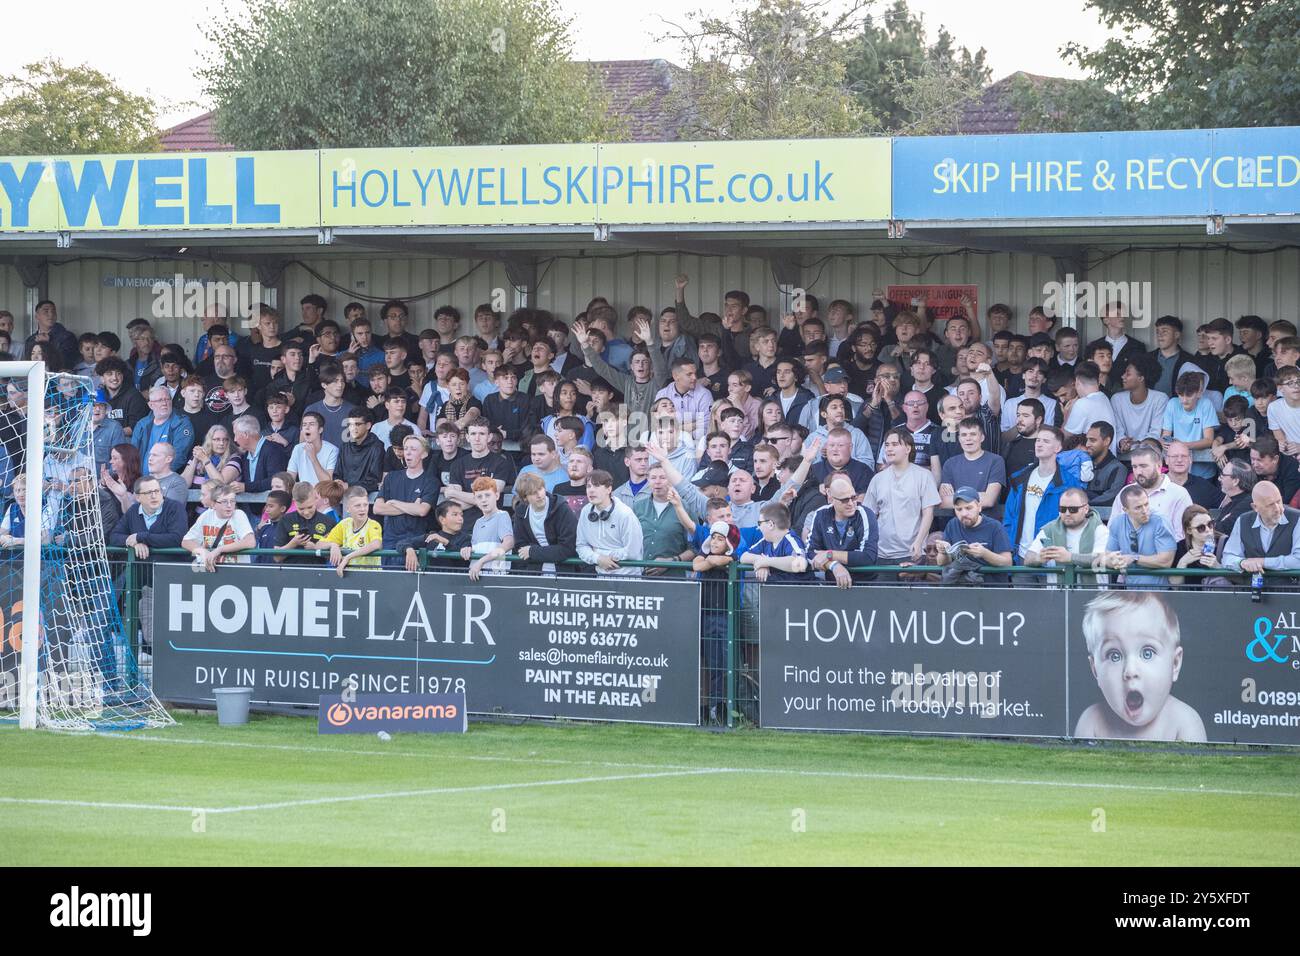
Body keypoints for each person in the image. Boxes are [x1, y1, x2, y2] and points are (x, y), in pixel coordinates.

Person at [1073, 591, 1207, 742]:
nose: (1130, 671)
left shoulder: (1185, 722)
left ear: (1175, 664)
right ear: (1095, 670)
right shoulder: (1091, 722)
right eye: (1114, 655)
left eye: (1147, 653)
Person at [108, 474, 188, 653]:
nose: (154, 496)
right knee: (146, 626)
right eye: (149, 492)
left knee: (171, 627)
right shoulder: (133, 511)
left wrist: (142, 536)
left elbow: (177, 538)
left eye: (157, 491)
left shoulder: (174, 508)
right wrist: (134, 542)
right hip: (143, 580)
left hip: (173, 580)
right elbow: (114, 537)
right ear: (138, 497)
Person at [1003, 426, 1087, 563]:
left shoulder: (1069, 483)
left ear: (1058, 448)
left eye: (1046, 441)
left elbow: (1077, 520)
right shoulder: (1019, 478)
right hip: (1020, 556)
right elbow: (1009, 516)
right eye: (1038, 440)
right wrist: (1010, 546)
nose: (1039, 444)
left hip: (1052, 559)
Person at [863, 427, 940, 566]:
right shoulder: (877, 479)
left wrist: (919, 542)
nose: (889, 449)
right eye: (887, 445)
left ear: (908, 448)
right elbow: (869, 515)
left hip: (912, 552)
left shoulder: (924, 475)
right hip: (881, 553)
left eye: (895, 444)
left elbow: (928, 514)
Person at [806, 474, 879, 587]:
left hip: (864, 584)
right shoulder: (821, 514)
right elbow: (810, 552)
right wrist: (834, 565)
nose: (851, 503)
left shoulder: (865, 514)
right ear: (831, 499)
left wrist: (830, 554)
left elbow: (868, 557)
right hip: (832, 583)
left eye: (853, 497)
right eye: (844, 500)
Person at [1024, 486, 1107, 585]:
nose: (1067, 513)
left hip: (1093, 596)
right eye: (1062, 509)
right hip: (1058, 596)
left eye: (1073, 509)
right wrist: (1039, 558)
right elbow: (1028, 558)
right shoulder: (1049, 529)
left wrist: (1070, 557)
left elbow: (1103, 559)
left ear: (1085, 509)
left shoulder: (1100, 530)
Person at [375, 434, 436, 566]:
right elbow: (378, 508)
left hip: (415, 542)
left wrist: (394, 502)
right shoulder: (391, 477)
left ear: (424, 454)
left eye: (413, 449)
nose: (408, 452)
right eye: (406, 448)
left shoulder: (431, 481)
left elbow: (422, 510)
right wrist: (410, 508)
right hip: (390, 541)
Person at [934, 486, 1013, 583]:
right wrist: (943, 551)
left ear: (979, 507)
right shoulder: (952, 524)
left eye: (968, 508)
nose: (964, 513)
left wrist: (984, 553)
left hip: (991, 587)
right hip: (961, 586)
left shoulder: (995, 526)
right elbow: (941, 562)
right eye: (959, 509)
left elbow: (1008, 562)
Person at [1102, 484, 1177, 588]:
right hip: (1130, 592)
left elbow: (1166, 561)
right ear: (1125, 510)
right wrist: (1114, 561)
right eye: (1138, 508)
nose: (1145, 511)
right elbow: (1108, 556)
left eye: (1146, 504)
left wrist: (1134, 558)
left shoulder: (1160, 521)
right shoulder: (1118, 523)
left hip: (1159, 593)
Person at [1221, 480, 1300, 576]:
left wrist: (1261, 562)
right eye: (1270, 505)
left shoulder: (1297, 518)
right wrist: (1242, 563)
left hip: (1289, 589)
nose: (1277, 509)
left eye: (1279, 501)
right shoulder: (1243, 520)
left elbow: (1298, 560)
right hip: (1251, 588)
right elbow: (1227, 557)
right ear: (1255, 507)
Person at [576, 469, 643, 576]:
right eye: (588, 486)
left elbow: (633, 552)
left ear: (609, 489)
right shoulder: (585, 511)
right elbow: (581, 546)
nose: (591, 490)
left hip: (629, 577)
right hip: (601, 577)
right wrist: (598, 559)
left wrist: (599, 553)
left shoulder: (625, 514)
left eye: (596, 486)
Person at [511, 471, 579, 575]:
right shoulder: (521, 511)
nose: (539, 495)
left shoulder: (561, 508)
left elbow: (568, 548)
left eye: (540, 489)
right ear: (525, 498)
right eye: (533, 493)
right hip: (534, 572)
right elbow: (521, 547)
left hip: (564, 571)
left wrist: (533, 552)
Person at [181, 481, 255, 570]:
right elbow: (186, 541)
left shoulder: (238, 515)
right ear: (214, 504)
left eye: (232, 501)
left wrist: (219, 550)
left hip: (236, 571)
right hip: (210, 570)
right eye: (224, 502)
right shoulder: (206, 516)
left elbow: (250, 542)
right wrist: (202, 551)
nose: (229, 505)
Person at [938, 417, 1006, 511]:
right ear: (959, 438)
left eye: (973, 434)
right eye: (964, 435)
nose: (968, 438)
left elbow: (989, 500)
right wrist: (980, 495)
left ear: (982, 437)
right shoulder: (950, 464)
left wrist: (956, 496)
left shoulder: (995, 461)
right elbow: (943, 502)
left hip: (986, 522)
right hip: (957, 522)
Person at [1128, 444, 1192, 543]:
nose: (1138, 471)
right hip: (1126, 554)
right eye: (1134, 467)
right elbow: (1113, 531)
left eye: (1143, 466)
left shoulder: (1179, 494)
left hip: (1166, 555)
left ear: (1159, 465)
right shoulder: (1125, 493)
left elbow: (1181, 537)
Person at [1161, 372, 1217, 478]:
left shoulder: (1206, 404)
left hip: (1203, 472)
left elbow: (1209, 440)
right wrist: (1164, 442)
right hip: (1177, 471)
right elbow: (1165, 435)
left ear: (1199, 393)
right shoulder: (1172, 403)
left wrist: (1182, 445)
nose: (1184, 400)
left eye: (1189, 395)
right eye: (1180, 395)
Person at [741, 502, 814, 582]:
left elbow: (800, 564)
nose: (759, 527)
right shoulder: (765, 541)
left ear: (770, 524)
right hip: (776, 591)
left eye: (760, 523)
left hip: (800, 591)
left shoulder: (791, 539)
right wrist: (761, 562)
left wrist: (767, 561)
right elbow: (744, 557)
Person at [461, 476, 514, 580]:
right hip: (476, 576)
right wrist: (469, 549)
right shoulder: (478, 522)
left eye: (488, 495)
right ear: (475, 499)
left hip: (496, 577)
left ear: (497, 495)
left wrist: (481, 561)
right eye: (479, 497)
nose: (484, 500)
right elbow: (478, 548)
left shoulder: (502, 515)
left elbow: (509, 543)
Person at [223, 414, 290, 494]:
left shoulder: (274, 450)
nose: (235, 439)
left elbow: (275, 481)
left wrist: (246, 487)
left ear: (246, 435)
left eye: (236, 434)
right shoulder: (245, 454)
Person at [130, 386, 195, 465]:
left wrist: (160, 475)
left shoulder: (182, 423)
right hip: (141, 476)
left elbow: (179, 456)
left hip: (168, 476)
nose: (164, 403)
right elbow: (132, 455)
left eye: (167, 399)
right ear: (150, 405)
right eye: (160, 400)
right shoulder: (142, 424)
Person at [273, 481, 335, 563]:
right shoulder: (285, 520)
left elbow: (336, 555)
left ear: (316, 498)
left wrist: (316, 548)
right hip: (289, 572)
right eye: (301, 509)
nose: (306, 512)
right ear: (294, 502)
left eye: (310, 507)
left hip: (317, 572)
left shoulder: (328, 522)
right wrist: (293, 544)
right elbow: (277, 558)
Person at [404, 500, 472, 572]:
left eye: (461, 515)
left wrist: (446, 543)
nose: (460, 519)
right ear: (442, 519)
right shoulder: (431, 537)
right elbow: (402, 543)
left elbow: (462, 558)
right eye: (455, 514)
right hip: (431, 580)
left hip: (456, 581)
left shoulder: (466, 539)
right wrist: (409, 550)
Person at [1170, 506, 1220, 588]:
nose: (1208, 529)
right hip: (1189, 598)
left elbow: (1238, 579)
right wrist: (1182, 563)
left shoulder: (1223, 543)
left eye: (1210, 524)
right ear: (1189, 530)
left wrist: (1218, 566)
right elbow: (1174, 586)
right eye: (1201, 528)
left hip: (1218, 598)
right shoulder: (1180, 548)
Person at [337, 409, 385, 492]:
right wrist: (337, 482)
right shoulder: (344, 446)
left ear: (368, 426)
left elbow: (374, 480)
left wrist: (348, 485)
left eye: (357, 424)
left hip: (367, 499)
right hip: (344, 497)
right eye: (350, 424)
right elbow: (337, 473)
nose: (353, 428)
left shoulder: (377, 447)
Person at [287, 411, 338, 485]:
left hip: (323, 494)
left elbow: (328, 483)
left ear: (320, 429)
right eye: (304, 425)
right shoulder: (298, 448)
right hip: (303, 494)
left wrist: (313, 458)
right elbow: (290, 478)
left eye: (311, 424)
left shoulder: (332, 450)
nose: (307, 427)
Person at [1164, 441, 1219, 509]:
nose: (1179, 460)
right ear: (1166, 460)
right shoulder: (1157, 485)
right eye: (1174, 456)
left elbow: (1228, 503)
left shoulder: (1203, 485)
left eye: (1184, 456)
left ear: (1190, 460)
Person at [1083, 422, 1126, 507]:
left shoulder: (1118, 468)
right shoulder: (1082, 464)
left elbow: (1111, 498)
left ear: (1106, 441)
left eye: (1093, 440)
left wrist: (1081, 504)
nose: (1087, 444)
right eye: (1087, 440)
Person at [1215, 458, 1256, 538]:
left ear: (1235, 481)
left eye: (1223, 475)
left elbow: (1221, 530)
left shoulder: (1248, 504)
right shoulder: (1232, 502)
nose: (1219, 478)